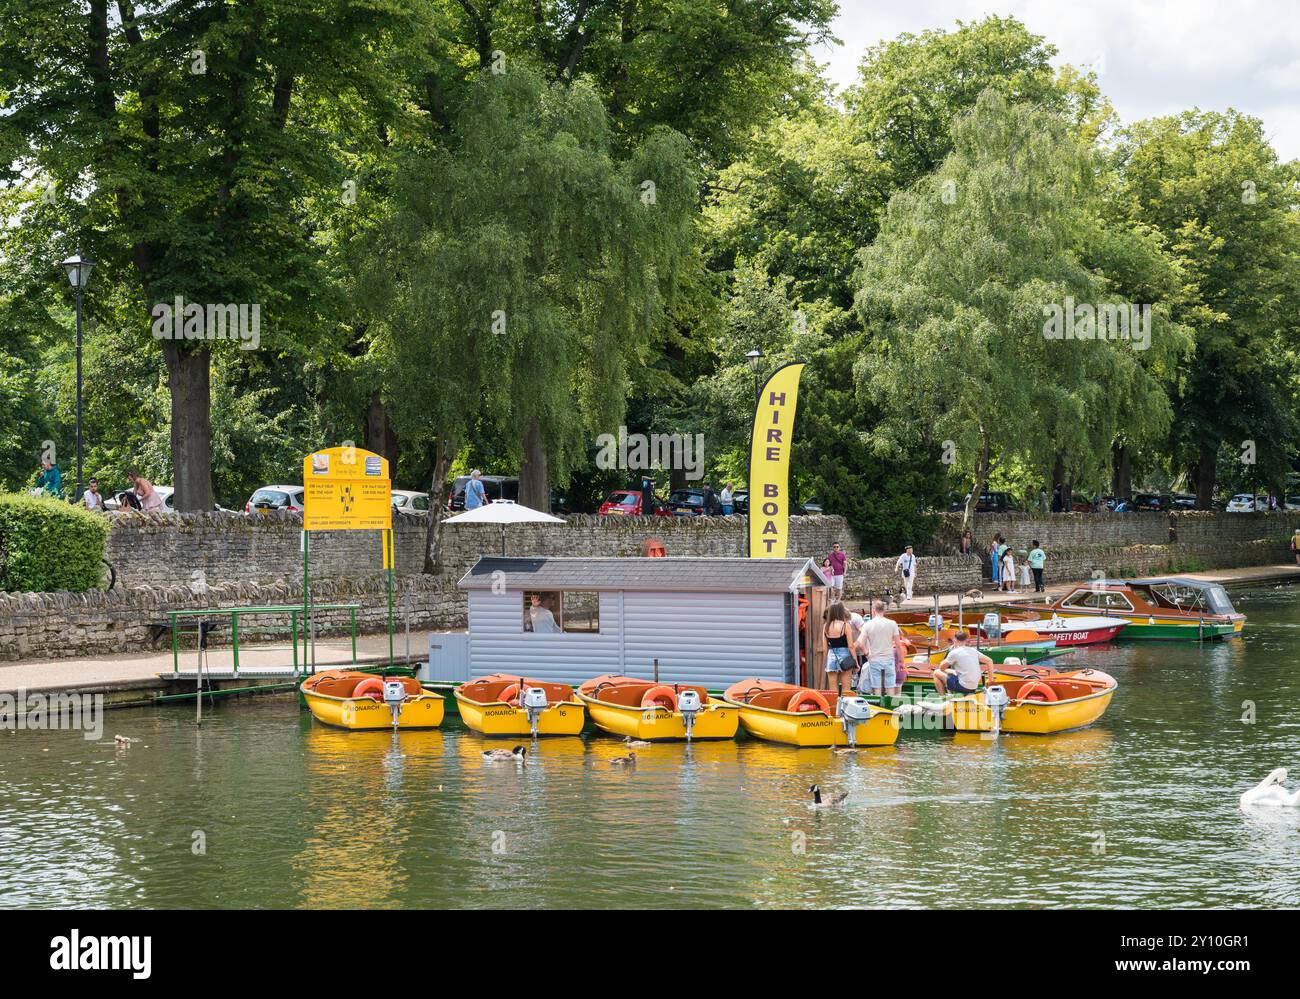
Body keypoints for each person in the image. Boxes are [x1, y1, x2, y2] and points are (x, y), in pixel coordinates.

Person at [856, 599, 905, 697]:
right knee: (890, 686)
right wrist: (900, 662)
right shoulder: (892, 624)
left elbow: (860, 643)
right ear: (884, 610)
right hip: (888, 659)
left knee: (877, 687)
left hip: (874, 659)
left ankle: (879, 708)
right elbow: (898, 645)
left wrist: (866, 654)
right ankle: (890, 709)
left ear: (873, 610)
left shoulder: (867, 625)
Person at [932, 630, 994, 695]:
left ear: (954, 640)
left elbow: (941, 668)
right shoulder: (973, 650)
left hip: (963, 686)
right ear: (966, 640)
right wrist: (990, 679)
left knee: (936, 672)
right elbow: (990, 661)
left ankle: (942, 698)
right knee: (953, 673)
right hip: (974, 686)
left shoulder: (954, 652)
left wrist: (949, 670)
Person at [823, 602, 857, 696]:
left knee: (832, 688)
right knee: (846, 688)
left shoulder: (825, 626)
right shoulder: (845, 625)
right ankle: (845, 708)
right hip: (845, 656)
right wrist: (855, 661)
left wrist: (827, 661)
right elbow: (851, 646)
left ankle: (835, 707)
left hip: (831, 655)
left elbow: (825, 648)